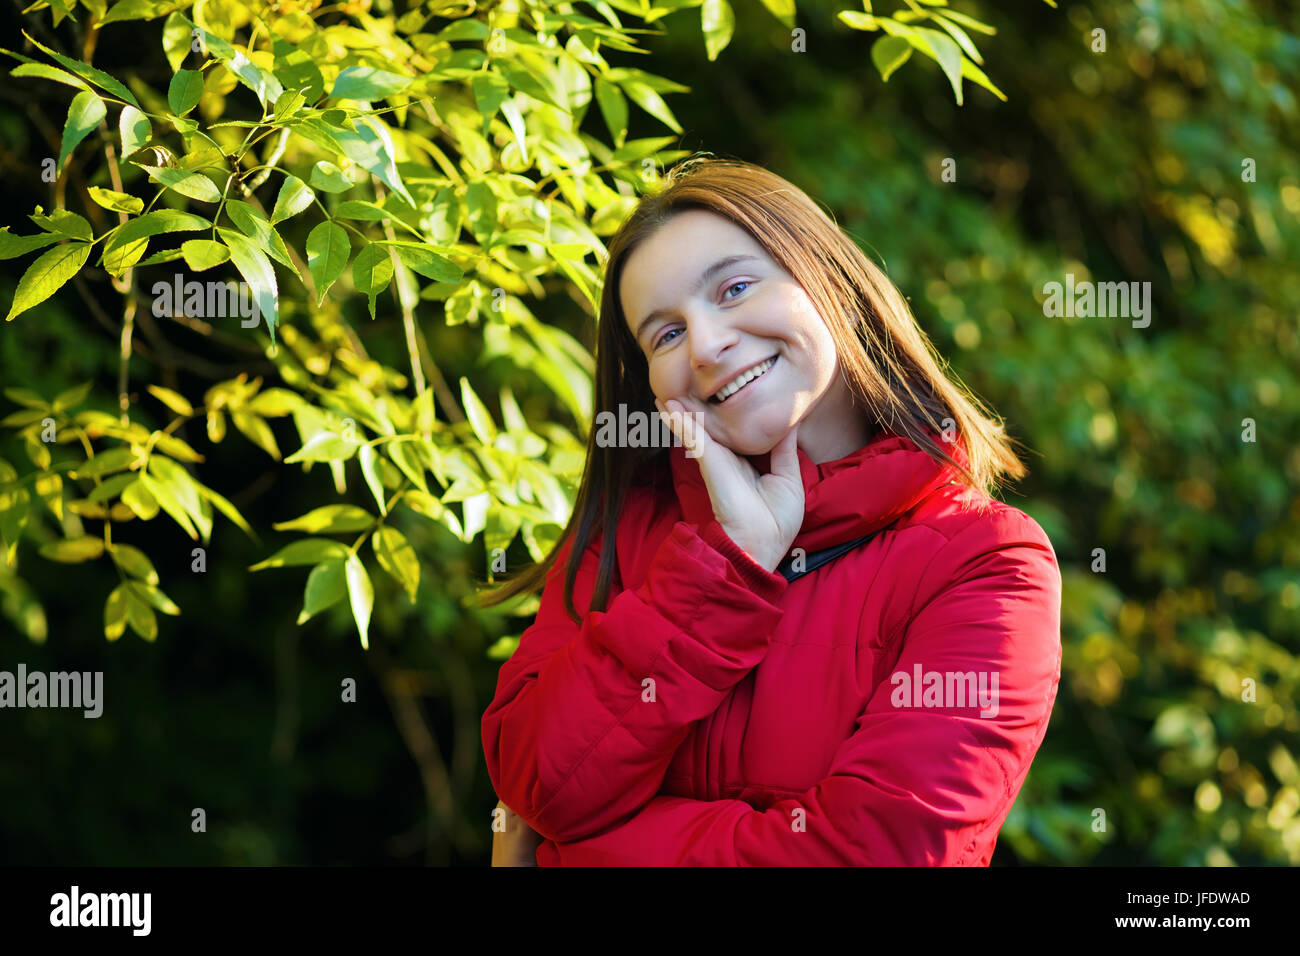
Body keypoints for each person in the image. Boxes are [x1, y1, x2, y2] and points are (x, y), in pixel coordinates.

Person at [478, 155, 1062, 866]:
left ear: (830, 283)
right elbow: (539, 786)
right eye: (664, 333)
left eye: (735, 287)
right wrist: (723, 568)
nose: (707, 345)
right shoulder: (625, 531)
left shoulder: (988, 563)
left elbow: (875, 853)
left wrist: (578, 851)